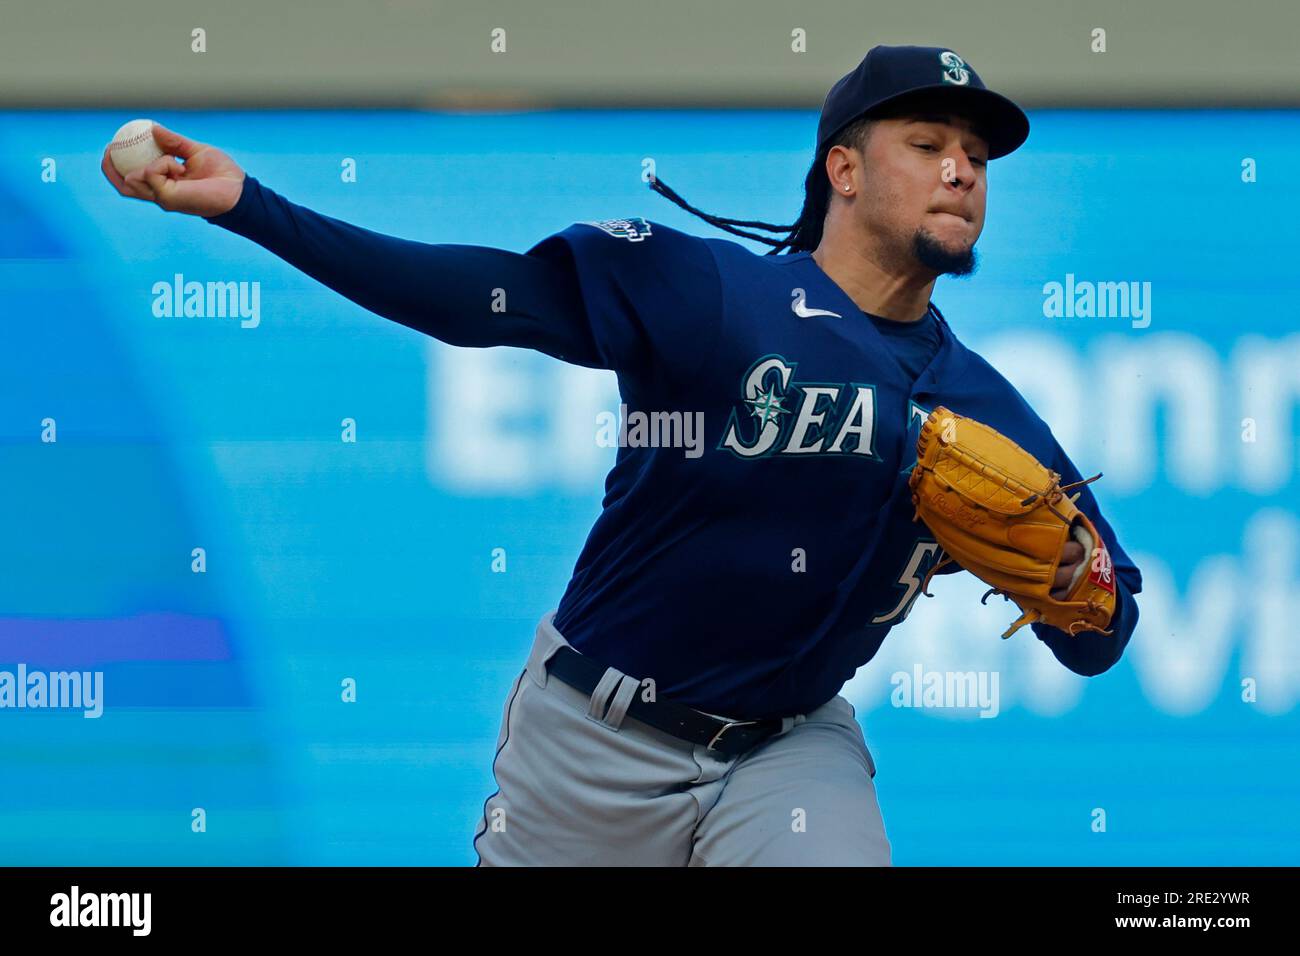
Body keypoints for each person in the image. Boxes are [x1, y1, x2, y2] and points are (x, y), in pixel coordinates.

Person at [102, 44, 1142, 867]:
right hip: (593, 737)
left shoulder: (982, 407)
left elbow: (1106, 624)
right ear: (843, 167)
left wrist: (1071, 581)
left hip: (788, 749)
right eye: (927, 140)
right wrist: (250, 206)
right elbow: (481, 298)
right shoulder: (715, 297)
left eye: (977, 153)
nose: (962, 167)